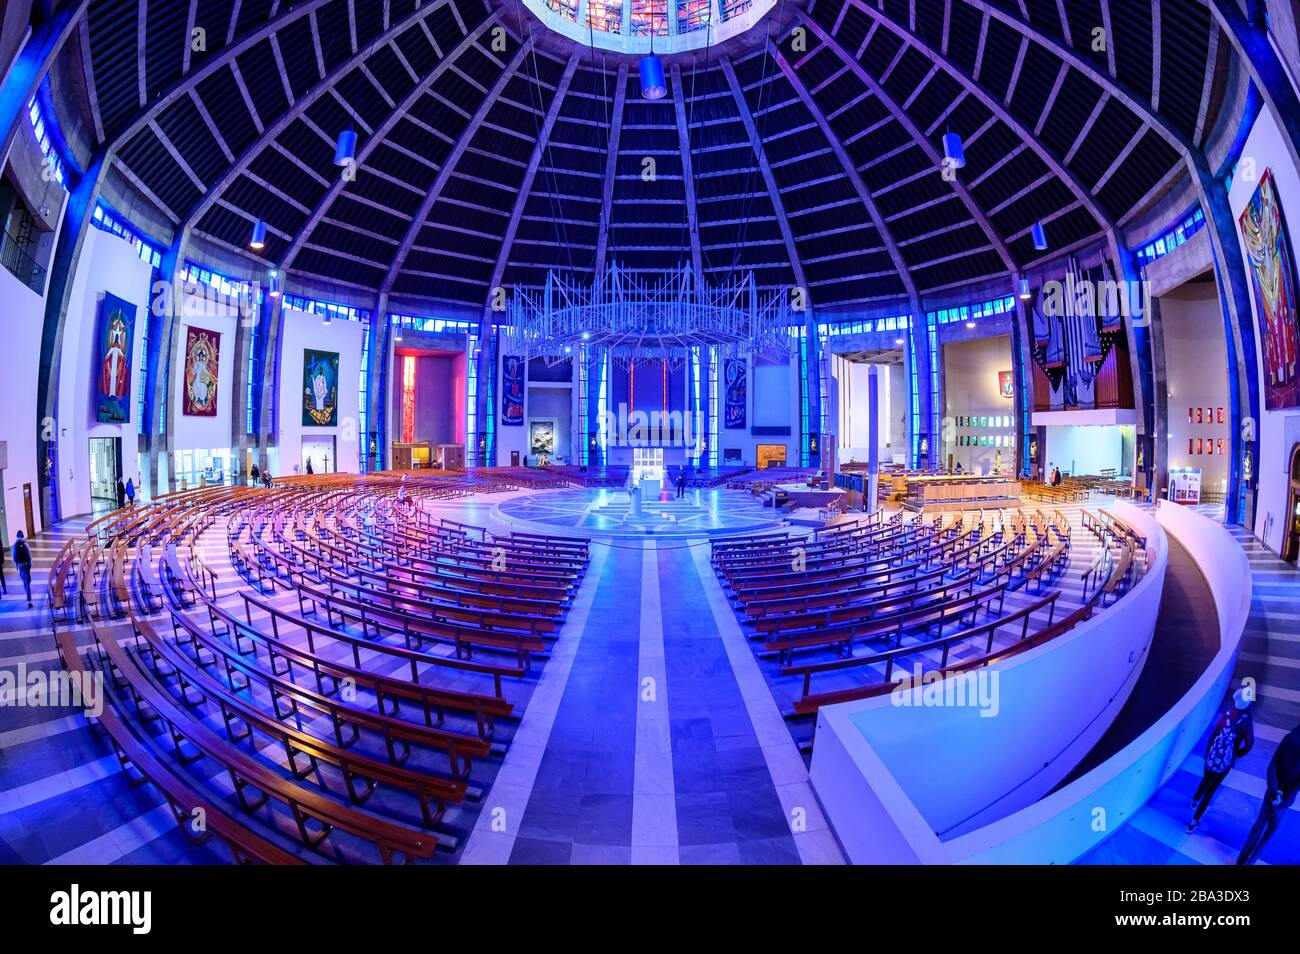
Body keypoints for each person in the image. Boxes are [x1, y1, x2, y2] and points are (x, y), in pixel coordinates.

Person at [1188, 688, 1254, 832]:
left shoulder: (1226, 715)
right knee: (1211, 790)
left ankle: (1194, 800)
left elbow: (1213, 735)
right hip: (1226, 762)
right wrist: (1236, 754)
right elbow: (1250, 744)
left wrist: (1207, 754)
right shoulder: (1246, 722)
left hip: (1212, 757)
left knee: (1205, 779)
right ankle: (1194, 821)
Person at [1237, 722, 1300, 864]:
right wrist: (1283, 796)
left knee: (1257, 828)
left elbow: (1273, 764)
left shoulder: (1289, 737)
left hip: (1271, 792)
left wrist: (1275, 789)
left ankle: (1240, 861)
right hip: (1284, 801)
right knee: (1270, 831)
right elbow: (1297, 784)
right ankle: (1251, 861)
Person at [12, 531, 32, 608]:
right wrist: (29, 566)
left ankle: (27, 596)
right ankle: (29, 600)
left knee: (25, 582)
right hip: (26, 566)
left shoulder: (15, 545)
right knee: (27, 583)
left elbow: (14, 558)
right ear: (23, 536)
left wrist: (17, 567)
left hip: (20, 566)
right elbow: (29, 556)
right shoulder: (25, 544)